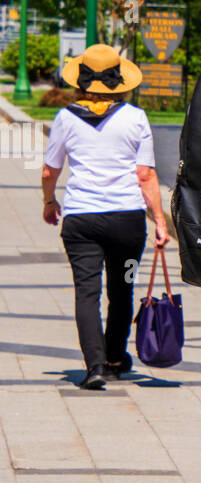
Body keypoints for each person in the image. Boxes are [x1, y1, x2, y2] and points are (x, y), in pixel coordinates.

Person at [41, 44, 168, 390]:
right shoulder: (135, 117)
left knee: (87, 292)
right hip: (126, 222)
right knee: (122, 288)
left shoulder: (66, 117)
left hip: (81, 220)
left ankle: (94, 366)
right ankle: (115, 358)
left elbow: (50, 169)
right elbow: (145, 175)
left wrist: (50, 202)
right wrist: (159, 219)